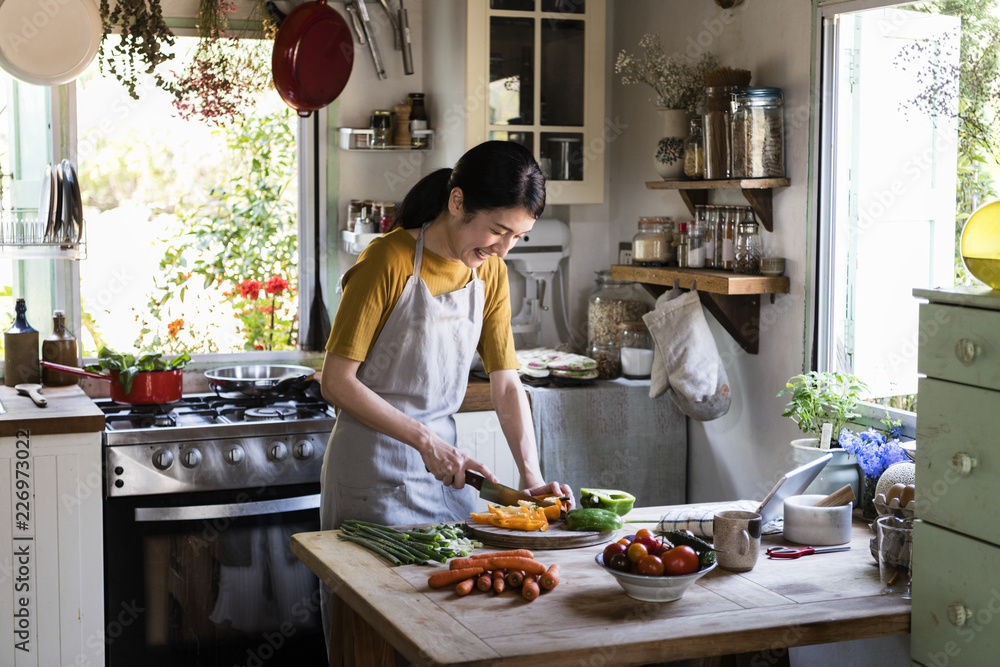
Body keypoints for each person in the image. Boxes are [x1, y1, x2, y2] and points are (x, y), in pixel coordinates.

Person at [318, 141, 573, 651]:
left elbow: (505, 384)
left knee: (448, 631)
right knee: (375, 636)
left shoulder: (491, 273)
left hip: (448, 475)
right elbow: (336, 383)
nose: (503, 248)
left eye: (517, 236)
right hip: (374, 472)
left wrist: (531, 476)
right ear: (457, 203)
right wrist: (424, 441)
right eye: (498, 230)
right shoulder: (385, 261)